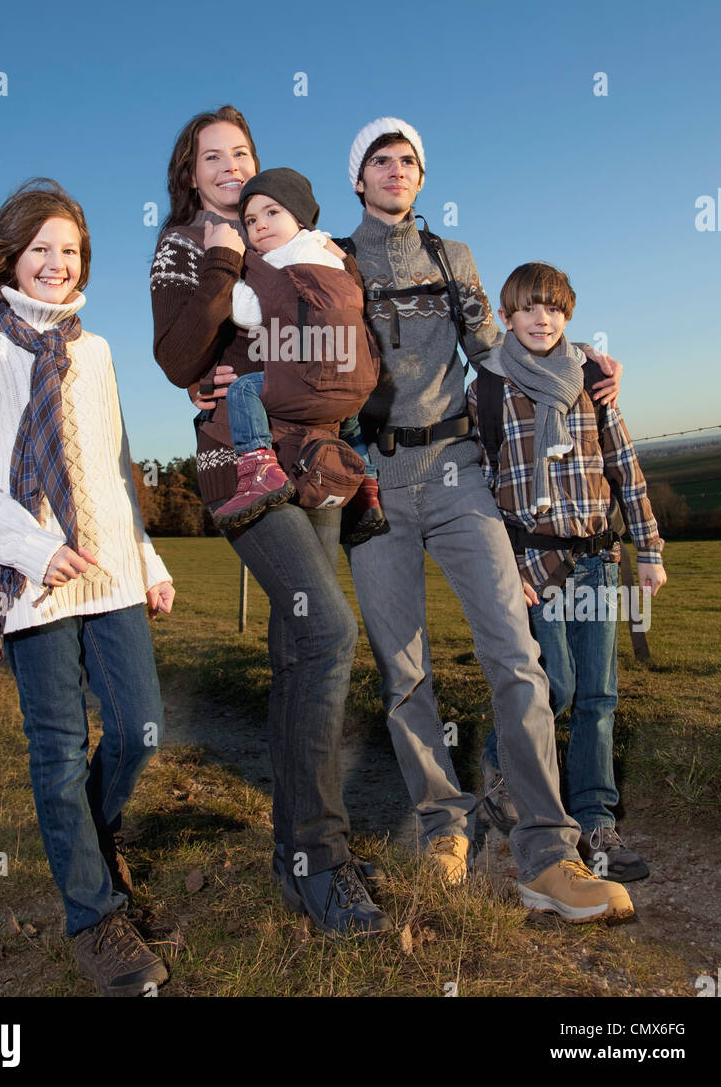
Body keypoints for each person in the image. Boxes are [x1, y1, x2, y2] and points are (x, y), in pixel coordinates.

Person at [342, 116, 635, 922]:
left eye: (409, 161)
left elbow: (498, 352)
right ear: (358, 179)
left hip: (459, 474)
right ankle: (444, 824)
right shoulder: (332, 264)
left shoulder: (452, 259)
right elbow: (293, 355)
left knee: (516, 657)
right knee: (405, 673)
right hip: (374, 484)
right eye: (380, 159)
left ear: (421, 179)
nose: (396, 171)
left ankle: (549, 850)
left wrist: (583, 366)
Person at [150, 107, 391, 937]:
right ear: (190, 172)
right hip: (240, 463)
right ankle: (319, 857)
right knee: (328, 634)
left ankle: (302, 855)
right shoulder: (188, 244)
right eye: (211, 156)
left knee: (300, 651)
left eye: (241, 154)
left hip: (313, 457)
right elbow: (182, 358)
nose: (228, 166)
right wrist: (222, 262)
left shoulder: (275, 232)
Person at [0, 178, 174, 996]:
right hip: (32, 582)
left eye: (69, 250)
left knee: (142, 727)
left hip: (108, 572)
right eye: (41, 248)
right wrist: (37, 551)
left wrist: (148, 561)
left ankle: (90, 841)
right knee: (61, 748)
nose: (56, 262)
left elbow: (113, 468)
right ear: (9, 256)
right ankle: (94, 916)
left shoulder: (96, 351)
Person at [468, 261, 666, 881]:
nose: (541, 318)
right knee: (554, 688)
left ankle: (596, 822)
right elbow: (478, 483)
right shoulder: (490, 388)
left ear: (568, 316)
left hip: (596, 561)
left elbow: (623, 466)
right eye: (528, 308)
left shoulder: (591, 380)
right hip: (533, 561)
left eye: (553, 308)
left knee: (600, 695)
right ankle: (502, 769)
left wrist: (650, 548)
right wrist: (505, 566)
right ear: (506, 317)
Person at [213, 165, 385, 541]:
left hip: (310, 381)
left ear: (300, 217)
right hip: (357, 381)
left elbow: (244, 313)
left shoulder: (281, 261)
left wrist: (234, 263)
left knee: (244, 390)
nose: (260, 225)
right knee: (349, 421)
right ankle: (368, 488)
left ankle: (259, 468)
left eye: (273, 212)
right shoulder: (332, 254)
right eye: (251, 220)